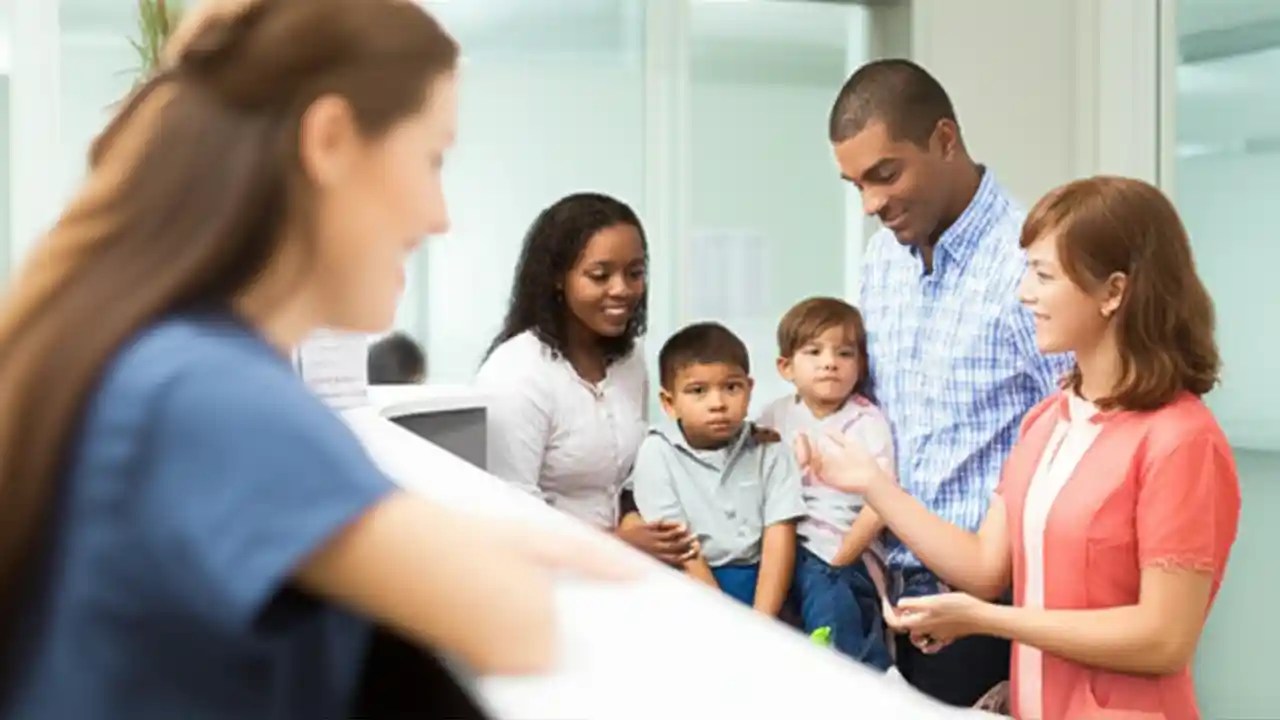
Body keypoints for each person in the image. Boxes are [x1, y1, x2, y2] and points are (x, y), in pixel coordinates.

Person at [0, 2, 628, 718]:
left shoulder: (155, 359)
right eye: (430, 158)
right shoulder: (212, 394)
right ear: (329, 140)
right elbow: (516, 623)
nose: (439, 214)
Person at [811, 176, 1241, 720]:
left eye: (1043, 275)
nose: (1024, 293)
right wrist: (873, 485)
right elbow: (985, 566)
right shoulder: (1048, 420)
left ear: (1113, 292)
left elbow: (1163, 638)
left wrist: (990, 620)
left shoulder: (1181, 440)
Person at [828, 58, 1072, 704]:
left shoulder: (1031, 263)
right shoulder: (882, 261)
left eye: (885, 173)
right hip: (893, 607)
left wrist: (1023, 641)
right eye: (855, 185)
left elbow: (1077, 458)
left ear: (944, 139)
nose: (872, 203)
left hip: (997, 616)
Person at [477, 193, 698, 567]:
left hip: (618, 574)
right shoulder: (516, 373)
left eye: (635, 272)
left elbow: (630, 474)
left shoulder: (629, 360)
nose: (622, 289)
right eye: (600, 275)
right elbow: (509, 519)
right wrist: (619, 544)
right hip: (544, 579)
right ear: (557, 279)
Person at [630, 323, 806, 614]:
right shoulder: (657, 452)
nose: (718, 403)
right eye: (698, 391)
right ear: (669, 403)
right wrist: (724, 620)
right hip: (691, 581)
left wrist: (760, 623)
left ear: (749, 391)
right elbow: (679, 546)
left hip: (764, 583)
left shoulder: (771, 450)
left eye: (731, 387)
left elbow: (779, 538)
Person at [756, 297, 892, 669]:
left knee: (831, 603)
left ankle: (857, 673)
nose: (830, 362)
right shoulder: (774, 415)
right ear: (786, 366)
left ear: (861, 365)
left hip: (839, 548)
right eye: (814, 352)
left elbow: (880, 504)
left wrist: (841, 557)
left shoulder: (867, 420)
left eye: (844, 353)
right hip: (783, 544)